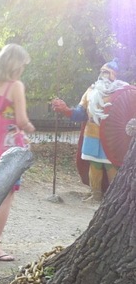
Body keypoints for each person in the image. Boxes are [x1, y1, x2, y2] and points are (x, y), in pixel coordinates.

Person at [0, 44, 35, 261]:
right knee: (5, 198)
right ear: (15, 65)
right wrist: (29, 127)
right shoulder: (15, 86)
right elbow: (21, 120)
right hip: (9, 153)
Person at [51, 59, 127, 201]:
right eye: (102, 71)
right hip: (91, 134)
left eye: (107, 72)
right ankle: (96, 194)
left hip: (111, 137)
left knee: (111, 164)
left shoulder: (121, 91)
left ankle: (114, 197)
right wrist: (66, 110)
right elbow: (80, 113)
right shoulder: (91, 91)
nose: (103, 74)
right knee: (95, 164)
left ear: (114, 75)